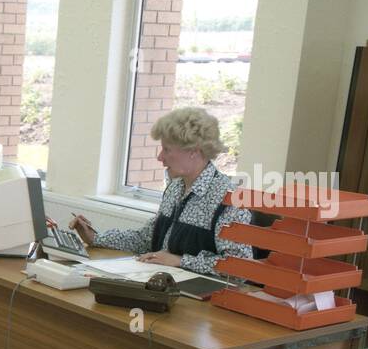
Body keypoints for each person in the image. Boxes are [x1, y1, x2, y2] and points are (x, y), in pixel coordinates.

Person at [70, 106, 253, 276]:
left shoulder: (230, 199)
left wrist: (180, 261)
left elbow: (240, 269)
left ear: (194, 152)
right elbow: (145, 240)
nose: (160, 157)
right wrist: (95, 237)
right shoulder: (175, 188)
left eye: (167, 149)